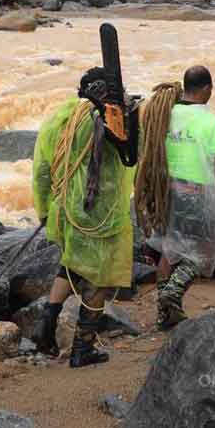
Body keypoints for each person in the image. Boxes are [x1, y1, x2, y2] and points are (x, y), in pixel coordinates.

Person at [30, 68, 136, 368]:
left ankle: (46, 322)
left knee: (73, 263)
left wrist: (46, 209)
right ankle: (83, 348)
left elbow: (41, 169)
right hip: (100, 214)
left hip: (66, 209)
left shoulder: (59, 117)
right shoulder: (111, 119)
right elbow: (131, 157)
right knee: (98, 279)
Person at [134, 66, 215, 331]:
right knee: (202, 250)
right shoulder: (210, 122)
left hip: (164, 191)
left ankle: (164, 314)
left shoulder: (163, 115)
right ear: (207, 89)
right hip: (196, 194)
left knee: (169, 248)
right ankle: (172, 293)